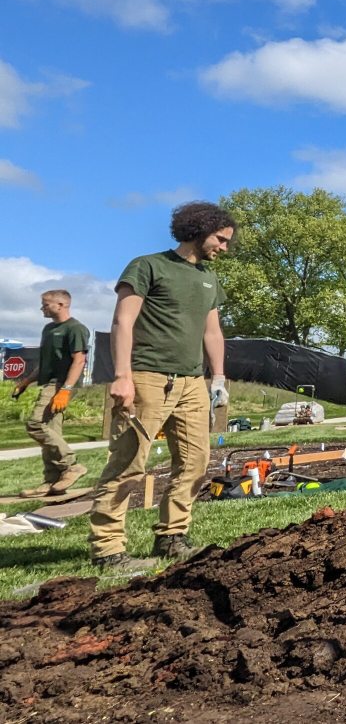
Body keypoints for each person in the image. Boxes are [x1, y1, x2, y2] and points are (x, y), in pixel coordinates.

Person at [88, 201, 234, 572]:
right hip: (148, 379)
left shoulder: (209, 279)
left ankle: (172, 536)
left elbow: (212, 331)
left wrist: (218, 378)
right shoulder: (147, 266)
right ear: (198, 230)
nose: (224, 247)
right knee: (128, 464)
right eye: (220, 239)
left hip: (191, 383)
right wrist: (122, 376)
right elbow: (123, 321)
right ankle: (108, 550)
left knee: (196, 461)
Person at [9, 290, 91, 498]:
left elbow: (79, 360)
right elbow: (46, 363)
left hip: (60, 385)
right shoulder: (48, 329)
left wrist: (65, 390)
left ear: (61, 304)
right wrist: (26, 382)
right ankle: (51, 480)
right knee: (51, 434)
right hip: (47, 383)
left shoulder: (76, 328)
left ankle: (72, 465)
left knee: (36, 424)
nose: (42, 309)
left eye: (45, 305)